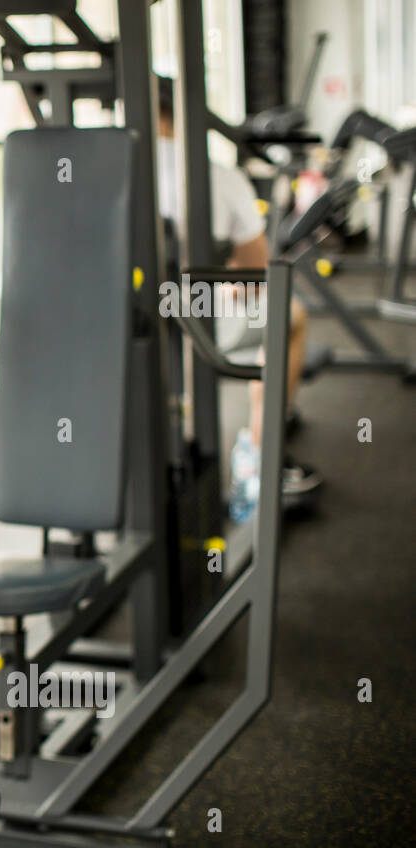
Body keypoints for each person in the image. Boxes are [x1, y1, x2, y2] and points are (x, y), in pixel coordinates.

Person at [154, 79, 323, 519]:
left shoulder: (114, 176)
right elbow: (255, 280)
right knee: (290, 316)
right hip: (200, 321)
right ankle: (258, 452)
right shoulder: (219, 177)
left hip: (139, 324)